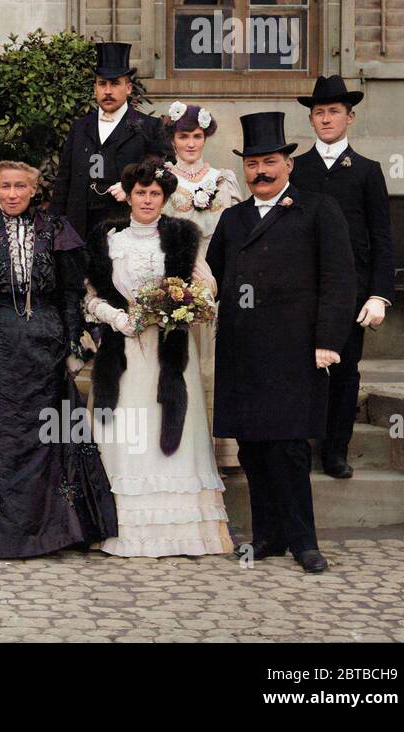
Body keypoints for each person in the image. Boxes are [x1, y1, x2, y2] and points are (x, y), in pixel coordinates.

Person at [0, 161, 116, 557]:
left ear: (34, 190)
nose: (12, 194)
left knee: (46, 431)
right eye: (5, 186)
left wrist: (73, 345)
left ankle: (49, 532)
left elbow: (70, 293)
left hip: (45, 341)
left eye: (20, 186)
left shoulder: (56, 229)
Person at [206, 112, 356, 574]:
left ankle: (304, 542)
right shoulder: (232, 218)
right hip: (242, 351)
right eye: (252, 165)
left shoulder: (318, 209)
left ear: (288, 164)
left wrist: (328, 339)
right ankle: (267, 537)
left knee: (290, 448)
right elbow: (214, 276)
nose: (261, 172)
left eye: (269, 162)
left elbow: (338, 279)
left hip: (295, 350)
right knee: (252, 448)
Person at [83, 155, 233, 557]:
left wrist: (181, 304)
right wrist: (118, 318)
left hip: (170, 351)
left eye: (154, 193)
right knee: (125, 430)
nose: (147, 200)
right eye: (140, 193)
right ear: (128, 196)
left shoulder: (183, 236)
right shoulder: (109, 239)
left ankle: (180, 530)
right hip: (124, 350)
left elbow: (208, 289)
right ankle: (119, 528)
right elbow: (90, 297)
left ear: (164, 198)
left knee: (169, 430)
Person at [291, 75, 395, 479]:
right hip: (303, 288)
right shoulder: (296, 169)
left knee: (345, 369)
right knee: (301, 368)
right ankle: (300, 445)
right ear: (311, 120)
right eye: (319, 112)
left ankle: (336, 450)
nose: (326, 119)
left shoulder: (367, 171)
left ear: (349, 117)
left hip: (351, 292)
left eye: (334, 111)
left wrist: (379, 294)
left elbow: (382, 237)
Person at [160, 101, 242, 470]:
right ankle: (185, 451)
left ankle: (223, 449)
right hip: (179, 273)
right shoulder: (163, 179)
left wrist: (221, 277)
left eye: (196, 136)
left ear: (205, 137)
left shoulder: (224, 179)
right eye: (183, 137)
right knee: (183, 362)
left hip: (219, 273)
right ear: (173, 139)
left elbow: (237, 233)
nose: (190, 143)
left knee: (217, 362)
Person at [50, 42, 172, 240]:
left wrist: (131, 186)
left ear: (128, 88)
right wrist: (54, 227)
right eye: (102, 84)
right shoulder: (80, 127)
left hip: (126, 227)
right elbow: (63, 180)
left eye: (115, 83)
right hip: (79, 227)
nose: (107, 91)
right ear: (95, 89)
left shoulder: (149, 127)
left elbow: (166, 168)